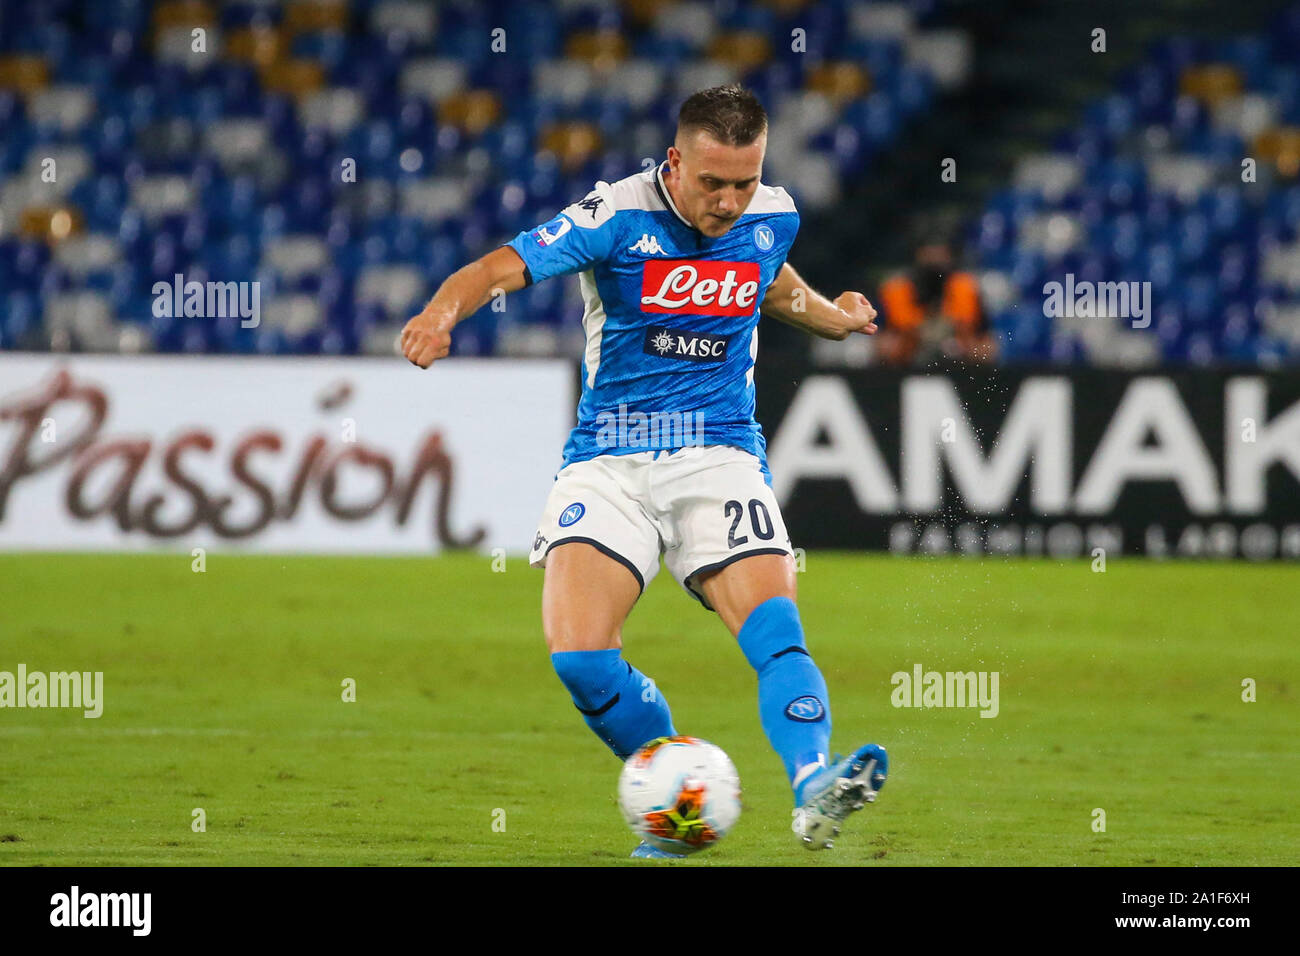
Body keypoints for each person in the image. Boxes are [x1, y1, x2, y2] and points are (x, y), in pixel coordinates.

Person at [400, 84, 887, 857]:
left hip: (719, 453)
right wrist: (438, 313)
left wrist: (835, 318)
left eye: (745, 182)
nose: (729, 202)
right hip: (610, 459)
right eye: (712, 183)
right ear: (675, 161)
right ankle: (678, 798)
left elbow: (771, 277)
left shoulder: (774, 214)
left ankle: (814, 785)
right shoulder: (614, 216)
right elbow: (494, 269)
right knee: (582, 661)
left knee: (777, 634)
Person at [875, 240, 997, 365]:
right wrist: (913, 337)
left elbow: (987, 345)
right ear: (919, 255)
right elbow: (882, 345)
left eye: (939, 254)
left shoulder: (967, 287)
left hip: (959, 358)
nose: (934, 260)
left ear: (949, 255)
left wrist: (963, 341)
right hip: (908, 357)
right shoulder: (897, 289)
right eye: (929, 254)